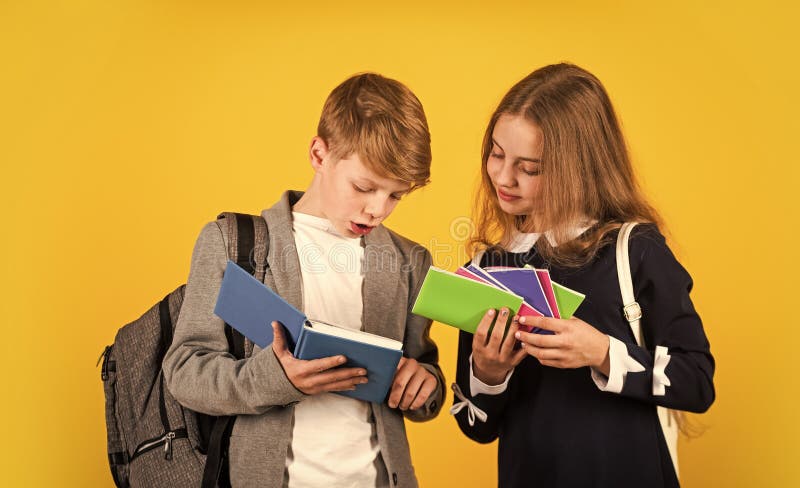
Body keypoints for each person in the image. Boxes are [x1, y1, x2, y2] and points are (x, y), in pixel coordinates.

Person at [163, 73, 445, 488]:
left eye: (395, 196)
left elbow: (421, 371)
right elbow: (185, 371)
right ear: (319, 154)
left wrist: (425, 385)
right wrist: (276, 379)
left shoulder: (410, 261)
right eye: (364, 187)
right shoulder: (230, 243)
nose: (377, 209)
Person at [450, 63, 715, 487]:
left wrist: (603, 353)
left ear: (578, 167)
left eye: (529, 167)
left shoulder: (634, 249)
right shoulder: (489, 268)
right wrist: (487, 373)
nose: (503, 177)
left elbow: (697, 382)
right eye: (496, 154)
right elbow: (476, 425)